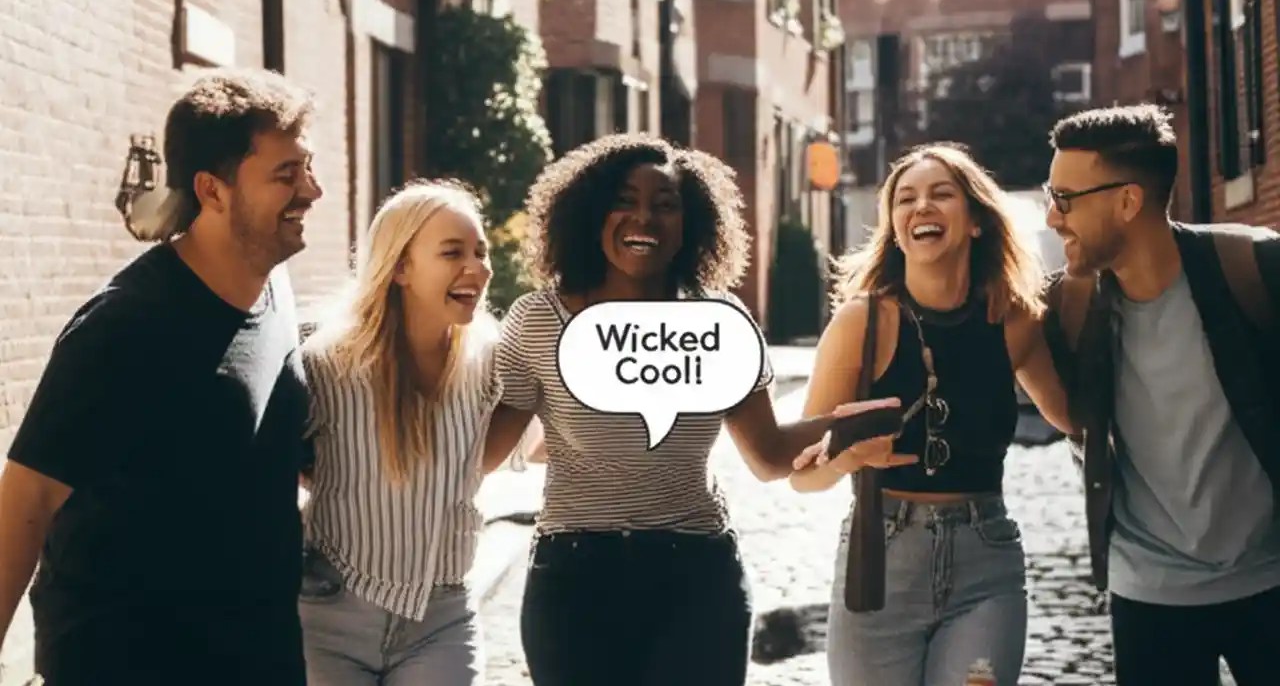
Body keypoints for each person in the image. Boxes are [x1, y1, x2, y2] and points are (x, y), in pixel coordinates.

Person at [483, 133, 885, 686]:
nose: (643, 218)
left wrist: (853, 423)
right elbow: (484, 453)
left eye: (665, 205)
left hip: (697, 578)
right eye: (624, 201)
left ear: (689, 223)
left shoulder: (720, 321)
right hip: (574, 583)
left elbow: (769, 456)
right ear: (592, 213)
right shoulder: (538, 320)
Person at [0, 68, 322, 684]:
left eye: (307, 167)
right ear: (212, 190)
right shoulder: (126, 324)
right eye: (287, 174)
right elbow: (27, 497)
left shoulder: (274, 289)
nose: (312, 190)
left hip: (257, 659)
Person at [789, 142, 1073, 686]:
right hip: (880, 568)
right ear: (895, 229)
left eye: (942, 194)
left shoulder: (1014, 321)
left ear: (976, 222)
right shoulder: (860, 324)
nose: (921, 206)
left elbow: (1072, 418)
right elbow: (801, 475)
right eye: (906, 199)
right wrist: (850, 458)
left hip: (986, 570)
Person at [1042, 103, 1280, 685]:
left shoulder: (1254, 267)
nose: (1052, 217)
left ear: (1128, 201)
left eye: (1065, 198)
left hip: (1272, 578)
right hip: (1150, 594)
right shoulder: (1067, 308)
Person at [296, 178, 540, 685]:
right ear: (400, 267)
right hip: (329, 616)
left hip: (441, 619)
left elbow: (532, 444)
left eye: (481, 252)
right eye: (453, 253)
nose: (478, 268)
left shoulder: (493, 364)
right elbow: (282, 464)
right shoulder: (327, 366)